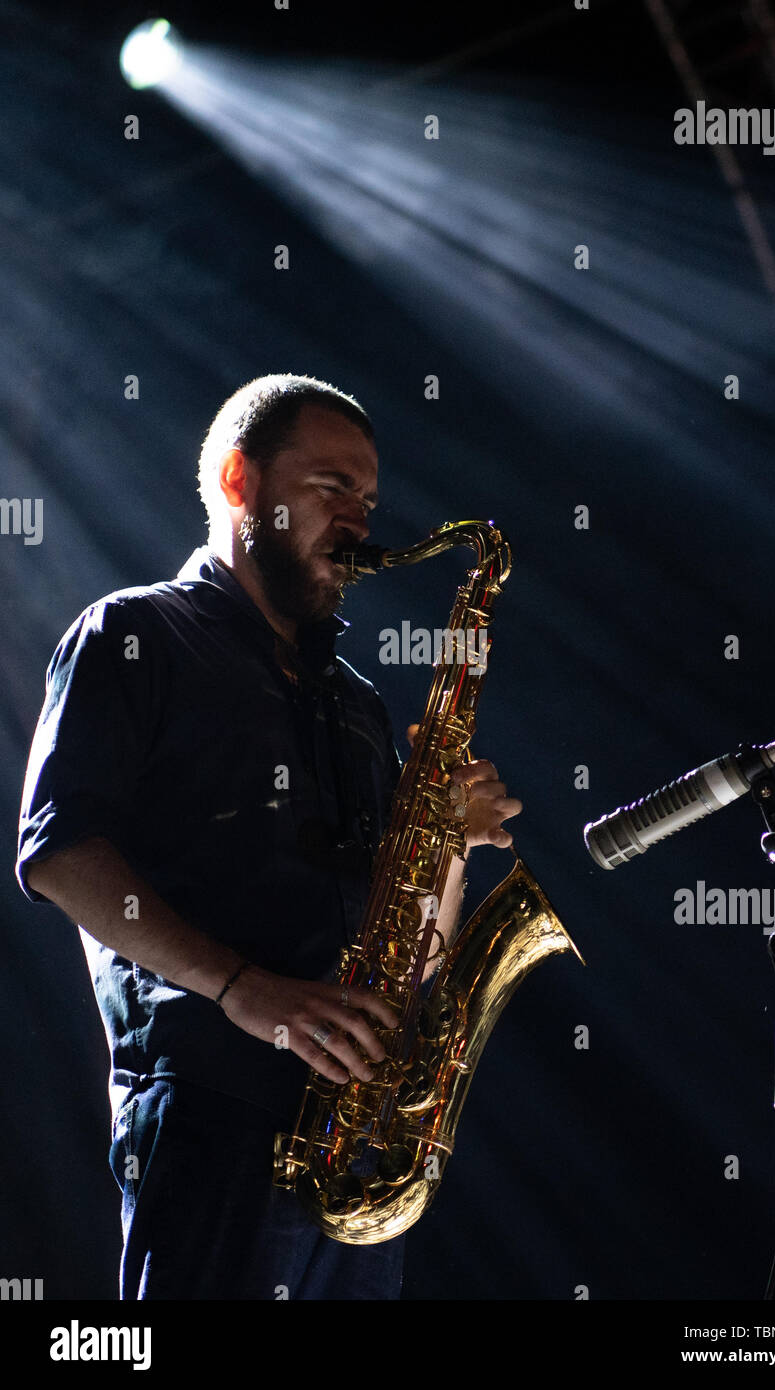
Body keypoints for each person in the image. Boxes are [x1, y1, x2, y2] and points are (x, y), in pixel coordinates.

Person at [15, 373, 522, 1301]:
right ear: (238, 480)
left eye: (368, 500)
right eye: (332, 489)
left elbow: (407, 956)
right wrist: (248, 991)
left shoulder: (359, 705)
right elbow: (58, 855)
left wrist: (448, 843)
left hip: (349, 1146)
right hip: (212, 1116)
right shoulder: (135, 634)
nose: (361, 523)